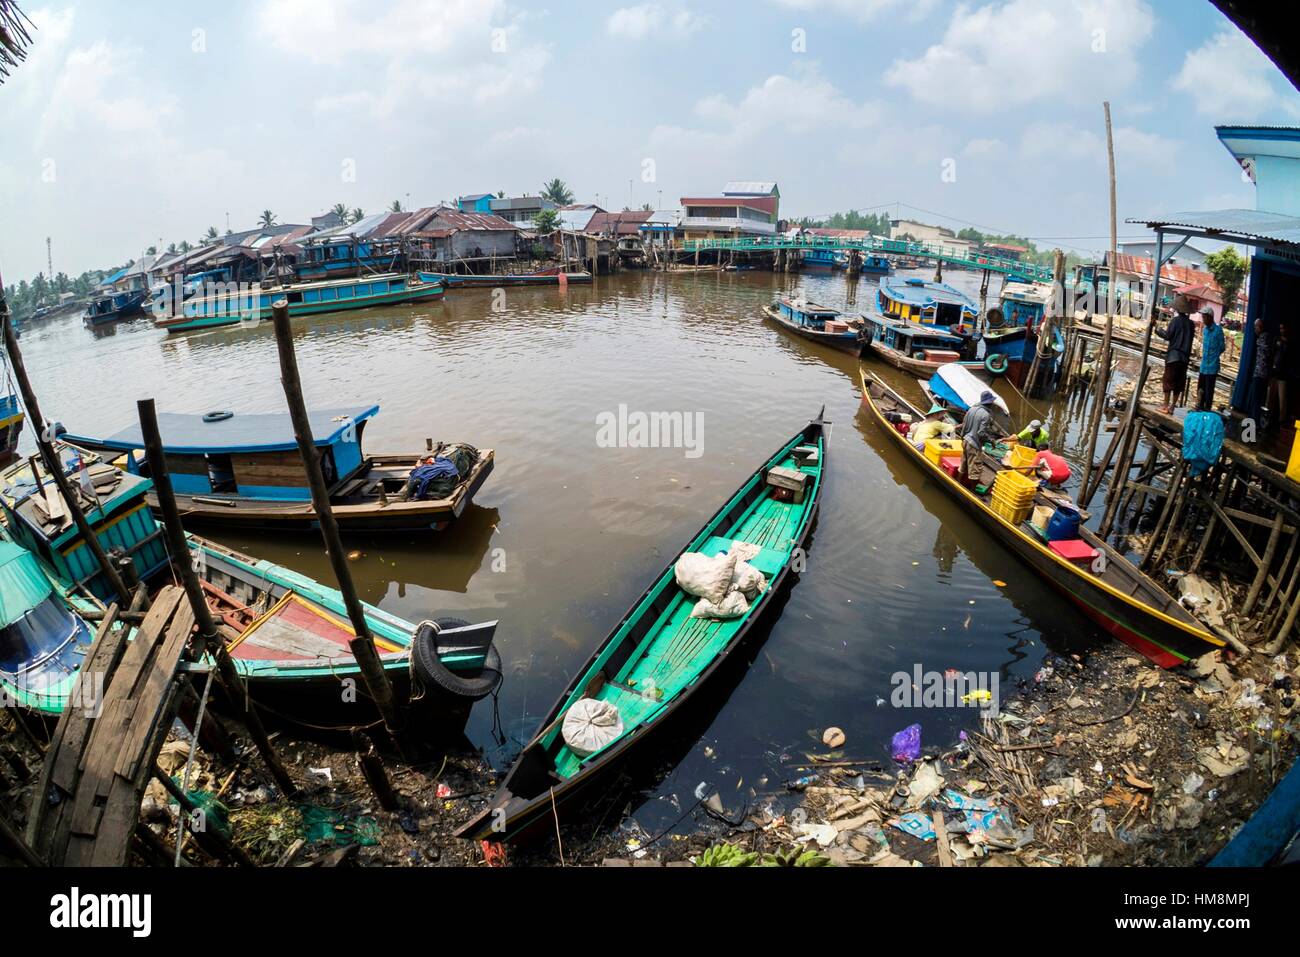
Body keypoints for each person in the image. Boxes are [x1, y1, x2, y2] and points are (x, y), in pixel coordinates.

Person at [1155, 300, 1193, 414]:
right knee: (1179, 383)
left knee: (1168, 380)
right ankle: (1172, 407)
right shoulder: (1191, 324)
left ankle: (1165, 406)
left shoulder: (1175, 321)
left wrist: (1157, 328)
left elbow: (1167, 336)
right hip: (1184, 358)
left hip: (1174, 357)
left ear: (1177, 310)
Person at [960, 390, 1003, 482]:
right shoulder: (986, 415)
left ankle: (957, 482)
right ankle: (971, 492)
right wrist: (992, 441)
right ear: (990, 402)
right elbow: (981, 433)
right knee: (975, 471)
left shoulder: (972, 409)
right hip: (974, 444)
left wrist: (961, 437)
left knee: (963, 465)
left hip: (965, 440)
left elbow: (964, 424)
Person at [1196, 305, 1225, 412]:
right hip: (1204, 365)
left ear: (1210, 317)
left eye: (1204, 317)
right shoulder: (1205, 330)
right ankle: (1199, 407)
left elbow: (1222, 347)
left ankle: (1207, 409)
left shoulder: (1218, 331)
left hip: (1212, 366)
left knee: (1209, 390)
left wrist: (1214, 355)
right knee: (1201, 388)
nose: (1203, 319)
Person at [1251, 316, 1272, 429]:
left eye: (1256, 327)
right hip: (1261, 373)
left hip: (1260, 373)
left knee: (1257, 399)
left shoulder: (1263, 338)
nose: (1255, 329)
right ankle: (1255, 422)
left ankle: (1255, 423)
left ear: (1260, 327)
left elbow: (1265, 356)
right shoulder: (1263, 338)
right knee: (1258, 399)